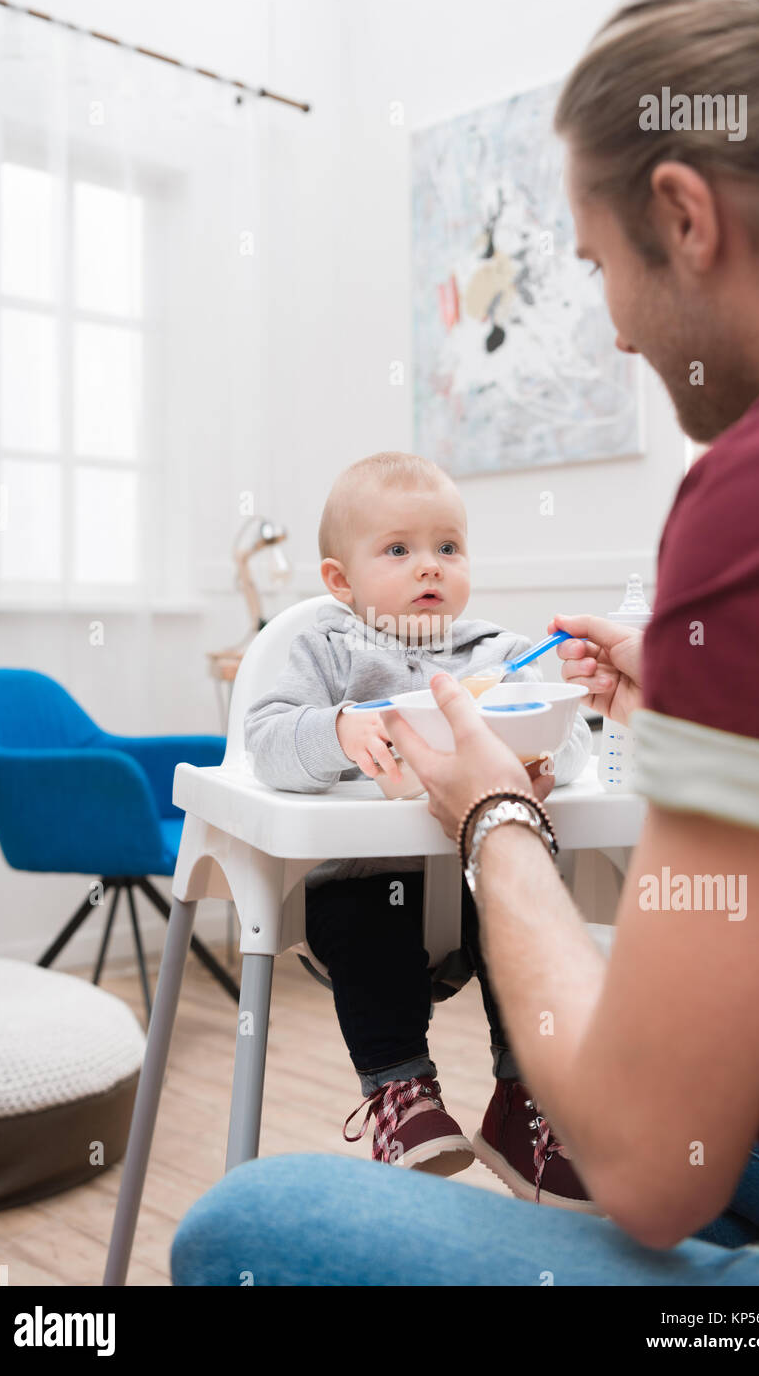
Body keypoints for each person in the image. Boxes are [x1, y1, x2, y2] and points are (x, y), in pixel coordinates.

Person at [171, 0, 759, 1284]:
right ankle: (420, 1086)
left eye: (594, 268)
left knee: (241, 1227)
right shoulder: (311, 640)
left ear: (684, 219)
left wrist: (489, 819)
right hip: (377, 895)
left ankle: (518, 1097)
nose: (619, 326)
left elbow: (648, 1167)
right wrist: (709, 706)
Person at [244, 450, 594, 1206]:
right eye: (398, 550)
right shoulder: (326, 651)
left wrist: (538, 752)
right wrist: (336, 731)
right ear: (341, 582)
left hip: (481, 866)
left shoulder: (498, 652)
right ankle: (402, 1094)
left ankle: (525, 1098)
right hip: (368, 886)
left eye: (447, 547)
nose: (427, 566)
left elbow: (574, 740)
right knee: (350, 907)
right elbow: (264, 741)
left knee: (527, 895)